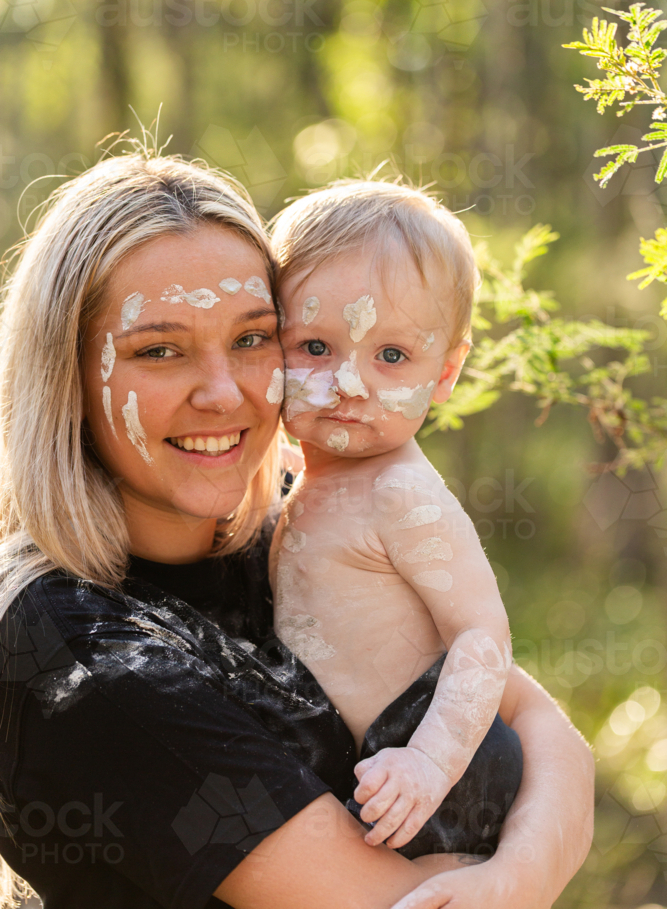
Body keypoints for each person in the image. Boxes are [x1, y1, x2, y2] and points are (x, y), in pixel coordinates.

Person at [0, 151, 593, 909]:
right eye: (159, 349)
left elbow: (540, 726)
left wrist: (516, 875)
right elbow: (383, 903)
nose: (224, 394)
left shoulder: (294, 514)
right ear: (67, 375)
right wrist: (520, 860)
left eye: (252, 338)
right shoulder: (74, 648)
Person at [269, 179, 521, 856]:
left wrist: (430, 764)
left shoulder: (399, 492)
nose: (349, 384)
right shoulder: (292, 472)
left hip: (433, 762)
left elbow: (480, 632)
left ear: (444, 372)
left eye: (390, 356)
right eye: (315, 348)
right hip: (363, 765)